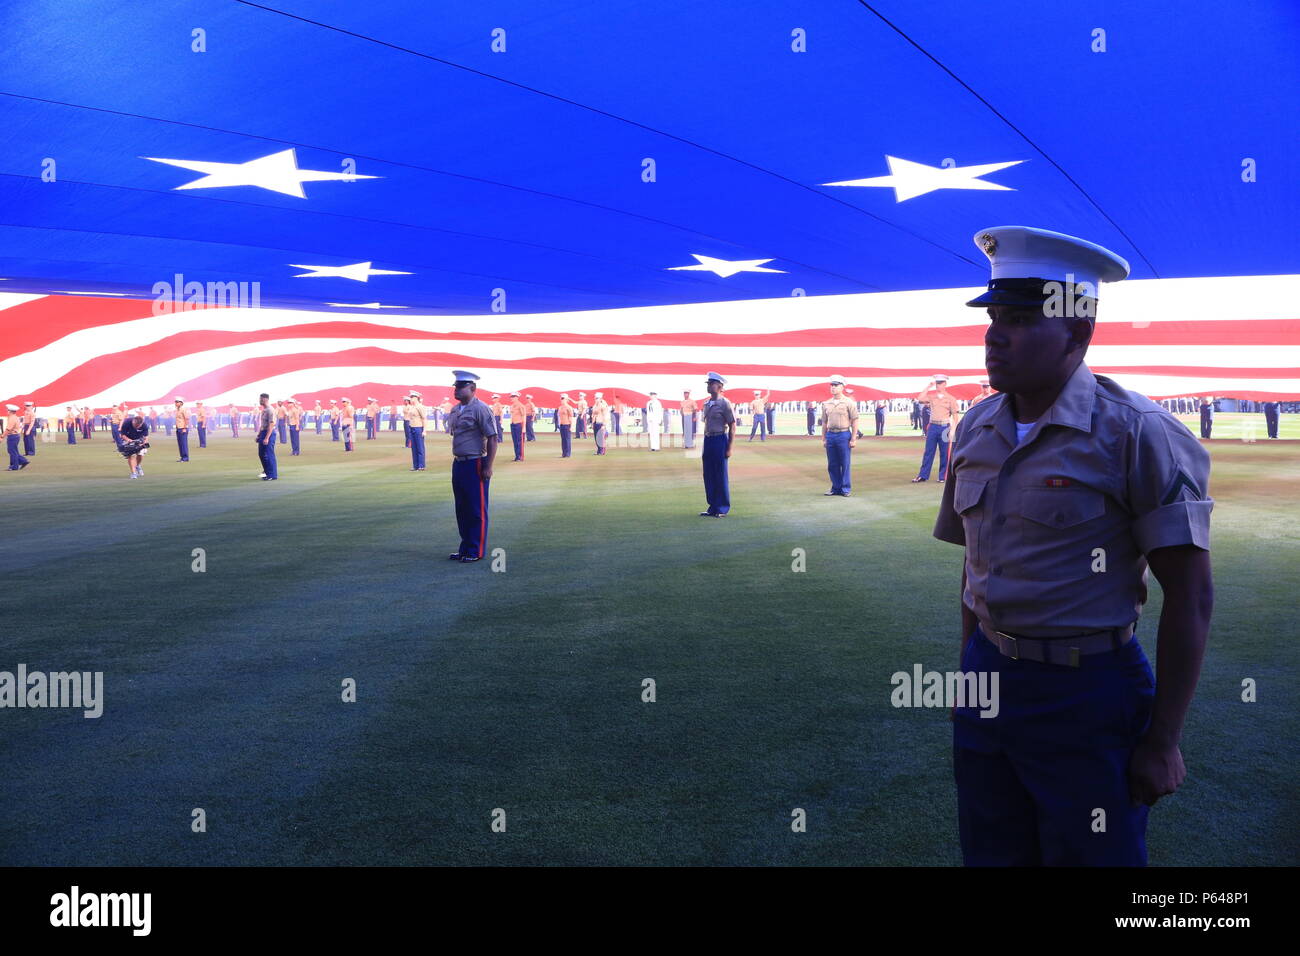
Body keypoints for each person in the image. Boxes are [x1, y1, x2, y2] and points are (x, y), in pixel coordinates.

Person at [935, 224, 1213, 867]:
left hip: (1087, 689)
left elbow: (1192, 597)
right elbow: (975, 569)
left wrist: (1163, 739)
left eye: (1021, 319)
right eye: (994, 316)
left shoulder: (1137, 432)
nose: (994, 335)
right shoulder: (978, 425)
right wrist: (967, 671)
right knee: (991, 853)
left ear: (1078, 332)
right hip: (989, 678)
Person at [445, 371, 499, 563]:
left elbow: (493, 437)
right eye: (455, 387)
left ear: (473, 388)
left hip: (475, 462)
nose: (456, 390)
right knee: (461, 508)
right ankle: (465, 547)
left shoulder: (481, 409)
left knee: (476, 509)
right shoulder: (455, 410)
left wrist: (488, 466)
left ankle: (475, 550)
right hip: (458, 463)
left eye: (460, 387)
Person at [699, 372, 735, 516]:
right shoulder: (706, 403)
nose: (709, 386)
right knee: (708, 474)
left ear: (719, 386)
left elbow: (732, 425)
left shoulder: (725, 403)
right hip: (708, 440)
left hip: (720, 439)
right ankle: (712, 507)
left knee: (720, 474)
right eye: (708, 384)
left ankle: (722, 508)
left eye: (711, 384)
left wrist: (730, 447)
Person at [912, 375, 956, 482]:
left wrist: (953, 431)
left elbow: (955, 416)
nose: (938, 385)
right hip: (933, 426)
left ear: (945, 384)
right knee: (928, 451)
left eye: (940, 383)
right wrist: (928, 386)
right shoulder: (932, 397)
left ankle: (943, 476)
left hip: (945, 427)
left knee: (945, 453)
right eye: (937, 383)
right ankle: (923, 475)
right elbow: (920, 398)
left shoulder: (951, 399)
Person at [821, 376, 857, 496]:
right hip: (831, 435)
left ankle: (845, 488)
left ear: (842, 387)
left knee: (845, 463)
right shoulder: (826, 403)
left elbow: (855, 420)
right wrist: (824, 438)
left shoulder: (849, 402)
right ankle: (835, 487)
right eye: (832, 385)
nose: (833, 388)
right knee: (832, 463)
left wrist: (853, 438)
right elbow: (824, 422)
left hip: (843, 434)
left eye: (836, 385)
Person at [118, 408, 150, 478]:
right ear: (133, 421)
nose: (136, 427)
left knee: (140, 455)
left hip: (139, 440)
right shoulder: (126, 423)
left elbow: (146, 436)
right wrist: (128, 440)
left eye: (138, 426)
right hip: (129, 440)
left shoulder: (144, 425)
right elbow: (122, 435)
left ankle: (137, 465)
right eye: (135, 425)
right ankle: (133, 473)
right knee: (131, 455)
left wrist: (144, 443)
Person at [254, 392, 278, 480]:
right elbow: (263, 424)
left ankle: (272, 475)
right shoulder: (264, 410)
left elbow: (271, 424)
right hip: (263, 432)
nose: (259, 401)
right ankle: (267, 472)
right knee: (261, 454)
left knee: (269, 454)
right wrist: (259, 435)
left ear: (265, 399)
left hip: (269, 433)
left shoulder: (270, 410)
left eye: (260, 399)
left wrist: (267, 437)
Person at [5, 404, 30, 471]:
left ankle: (15, 466)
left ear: (10, 411)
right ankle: (17, 463)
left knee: (12, 451)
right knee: (13, 451)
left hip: (12, 436)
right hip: (15, 435)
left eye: (7, 410)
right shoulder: (15, 417)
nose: (7, 411)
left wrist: (2, 436)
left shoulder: (12, 418)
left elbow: (8, 429)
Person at [408, 390, 427, 470]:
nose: (411, 399)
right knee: (414, 448)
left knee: (420, 447)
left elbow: (424, 418)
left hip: (418, 428)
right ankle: (415, 465)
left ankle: (421, 465)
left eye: (412, 397)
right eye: (411, 397)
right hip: (412, 428)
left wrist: (424, 430)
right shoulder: (412, 407)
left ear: (416, 398)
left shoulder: (420, 406)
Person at [508, 392, 527, 461]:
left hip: (519, 424)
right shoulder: (512, 406)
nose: (511, 398)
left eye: (513, 397)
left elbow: (524, 416)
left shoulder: (521, 406)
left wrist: (524, 427)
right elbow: (512, 415)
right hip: (513, 425)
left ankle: (520, 456)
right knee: (515, 441)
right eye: (511, 397)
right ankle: (517, 456)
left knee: (519, 441)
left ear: (517, 397)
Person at [557, 393, 576, 457]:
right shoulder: (560, 407)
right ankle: (564, 453)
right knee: (563, 440)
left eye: (563, 398)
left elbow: (571, 417)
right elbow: (559, 416)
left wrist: (571, 426)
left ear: (566, 399)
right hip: (562, 425)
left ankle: (568, 454)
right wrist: (559, 424)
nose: (561, 400)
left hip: (567, 424)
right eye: (561, 398)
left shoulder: (569, 407)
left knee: (567, 440)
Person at [173, 397, 191, 462]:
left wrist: (184, 428)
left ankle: (185, 458)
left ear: (181, 403)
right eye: (175, 402)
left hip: (183, 428)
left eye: (177, 402)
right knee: (180, 444)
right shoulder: (177, 410)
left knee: (183, 444)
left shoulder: (183, 409)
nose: (176, 403)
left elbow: (187, 419)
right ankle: (182, 457)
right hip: (178, 428)